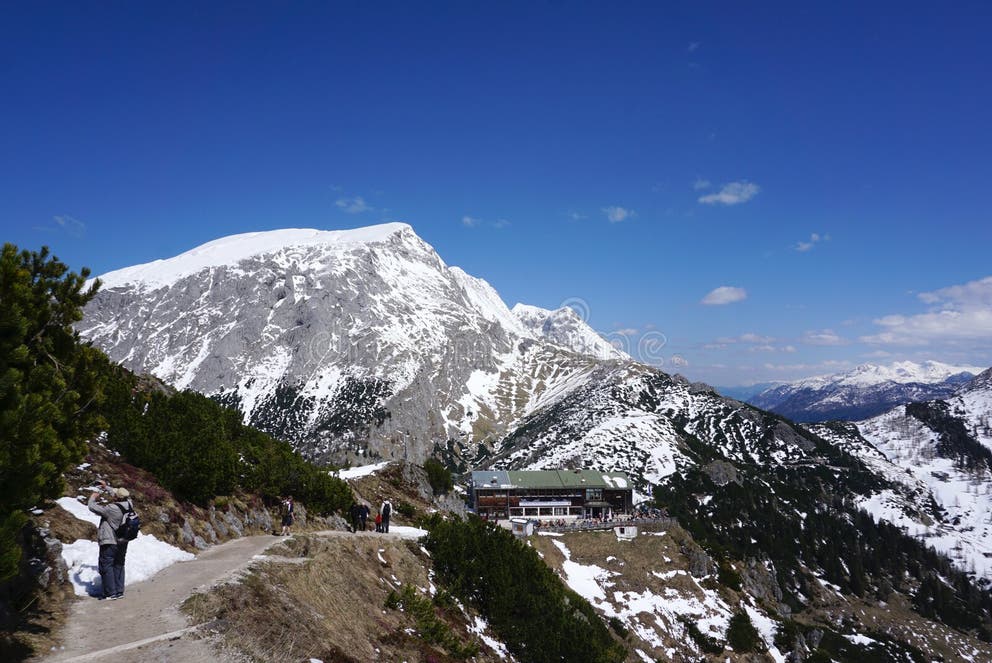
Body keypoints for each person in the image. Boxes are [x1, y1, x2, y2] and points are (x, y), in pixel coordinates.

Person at [88, 481, 132, 600]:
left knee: (106, 565)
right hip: (123, 540)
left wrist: (93, 497)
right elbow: (116, 493)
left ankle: (110, 593)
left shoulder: (111, 508)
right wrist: (106, 487)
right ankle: (119, 591)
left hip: (110, 540)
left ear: (116, 497)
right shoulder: (129, 504)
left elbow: (92, 507)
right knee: (119, 564)